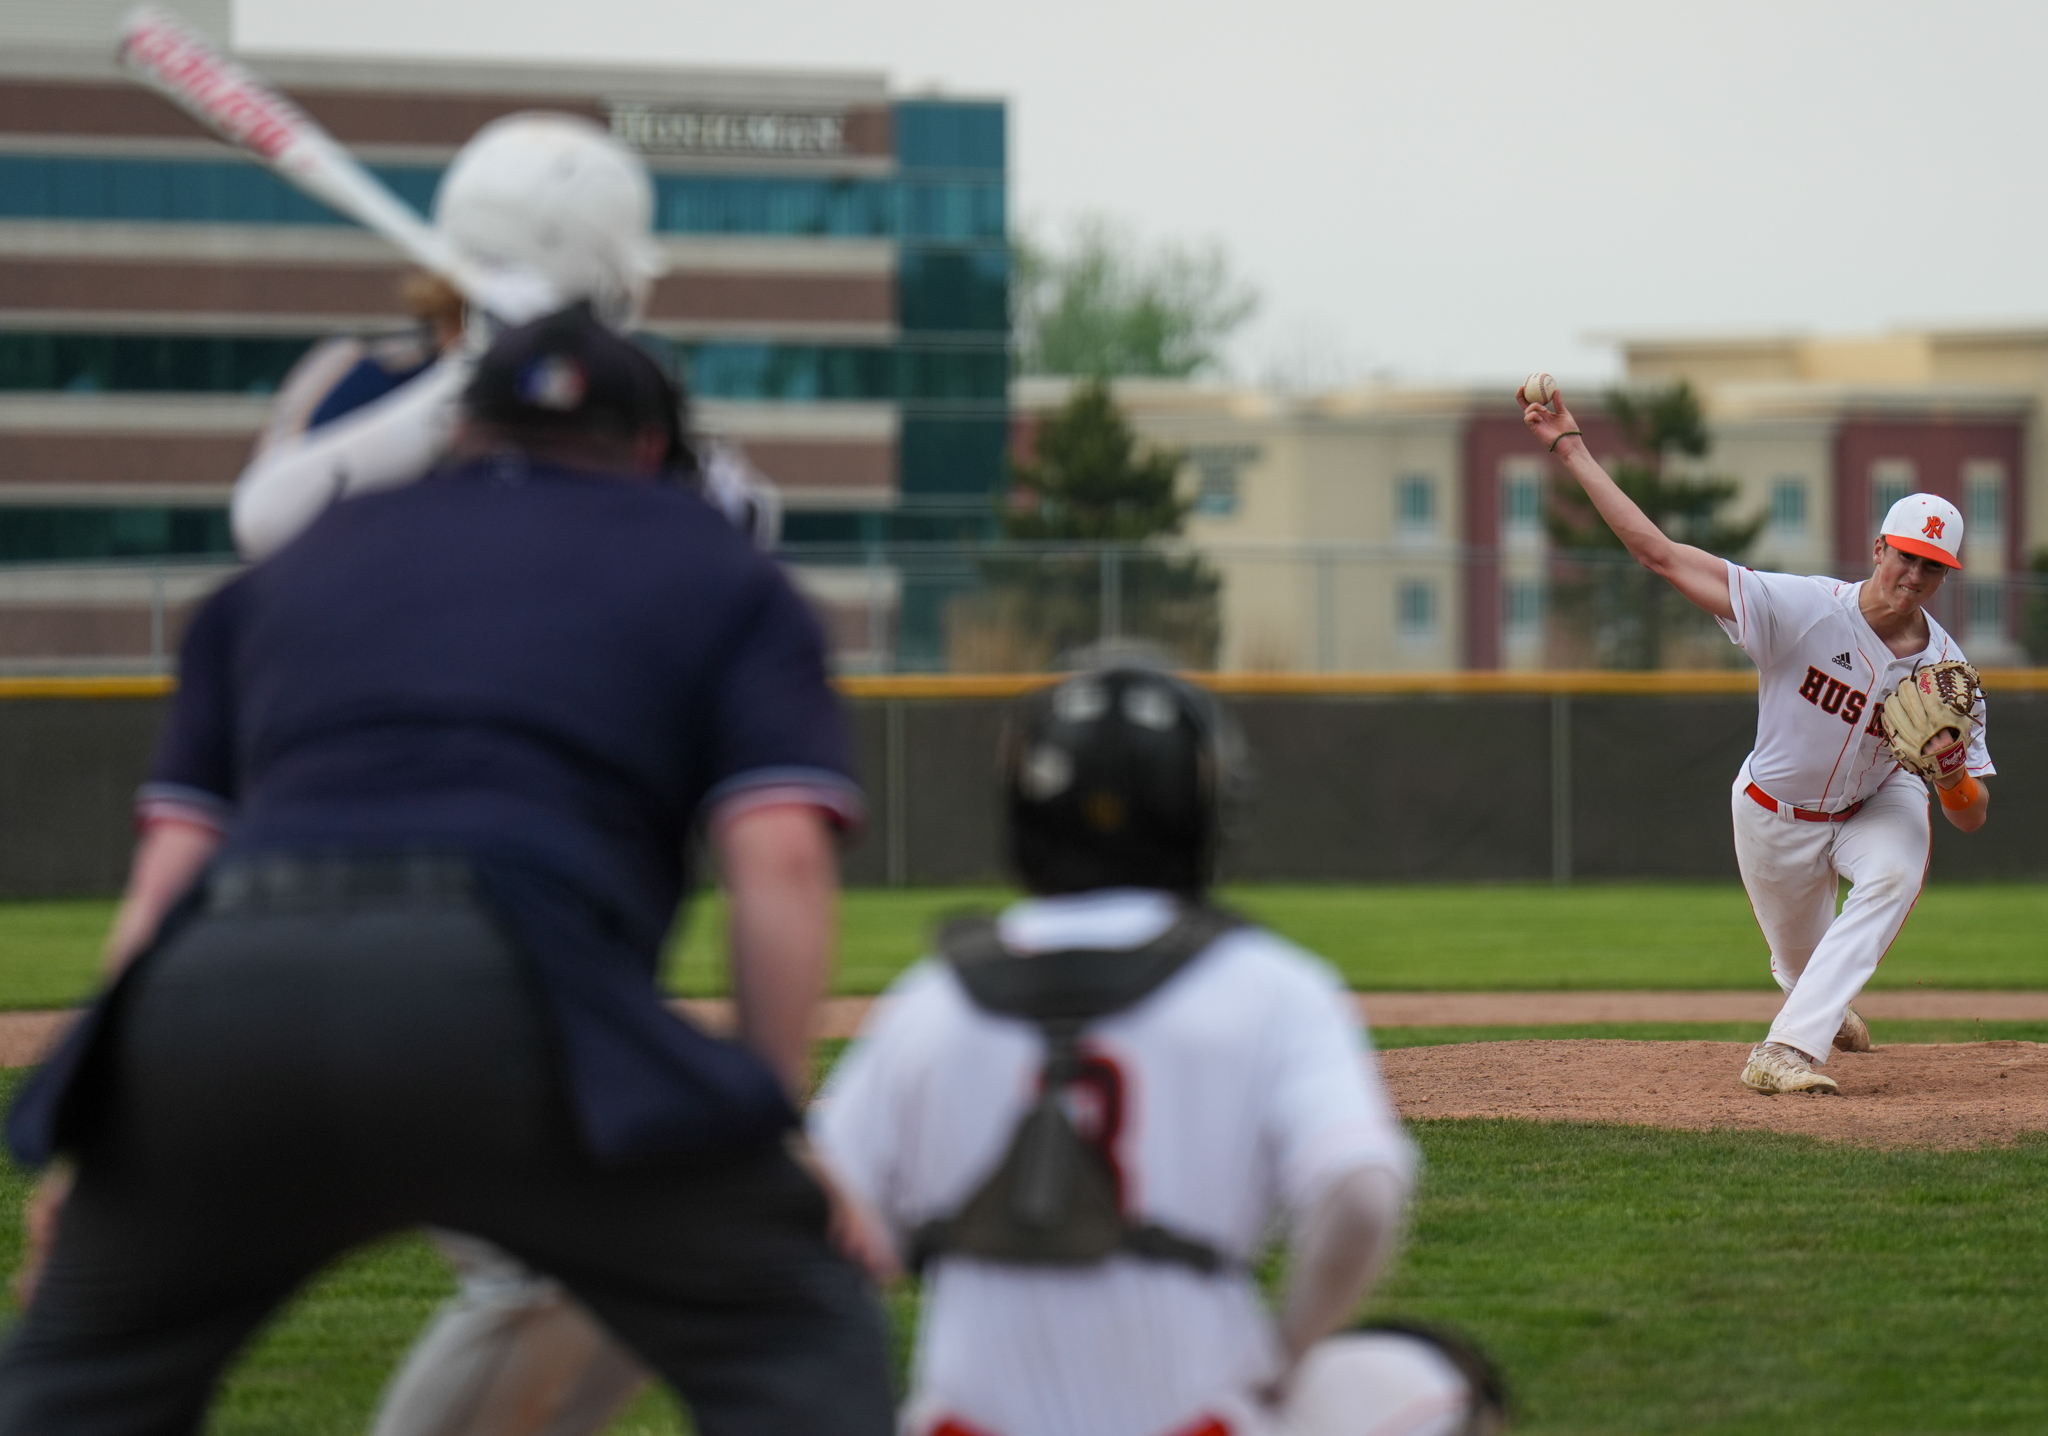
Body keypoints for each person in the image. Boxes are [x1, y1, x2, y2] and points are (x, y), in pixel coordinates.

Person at [0, 305, 897, 1435]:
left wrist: (110, 1138)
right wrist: (774, 1127)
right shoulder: (714, 564)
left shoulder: (299, 565)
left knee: (82, 1373)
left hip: (218, 997)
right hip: (505, 983)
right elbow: (776, 857)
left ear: (459, 432)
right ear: (652, 453)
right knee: (789, 1317)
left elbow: (166, 881)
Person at [812, 667, 1503, 1436]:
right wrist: (1283, 1355)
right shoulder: (1271, 987)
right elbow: (1364, 1194)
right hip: (1191, 1421)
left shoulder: (932, 1000)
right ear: (1204, 814)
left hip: (966, 1425)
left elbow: (813, 1221)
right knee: (1428, 1384)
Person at [1519, 384, 1992, 1096]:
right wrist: (1571, 448)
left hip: (1876, 801)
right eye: (1905, 556)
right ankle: (1817, 1003)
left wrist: (1952, 774)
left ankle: (1785, 1051)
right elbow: (1659, 555)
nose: (1915, 575)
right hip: (1774, 813)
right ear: (1879, 548)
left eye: (1933, 566)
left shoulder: (1949, 676)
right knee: (1801, 969)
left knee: (1895, 871)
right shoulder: (1801, 610)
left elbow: (1971, 813)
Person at [232, 110, 778, 562]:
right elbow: (266, 525)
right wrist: (474, 376)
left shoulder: (626, 395)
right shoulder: (366, 376)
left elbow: (747, 523)